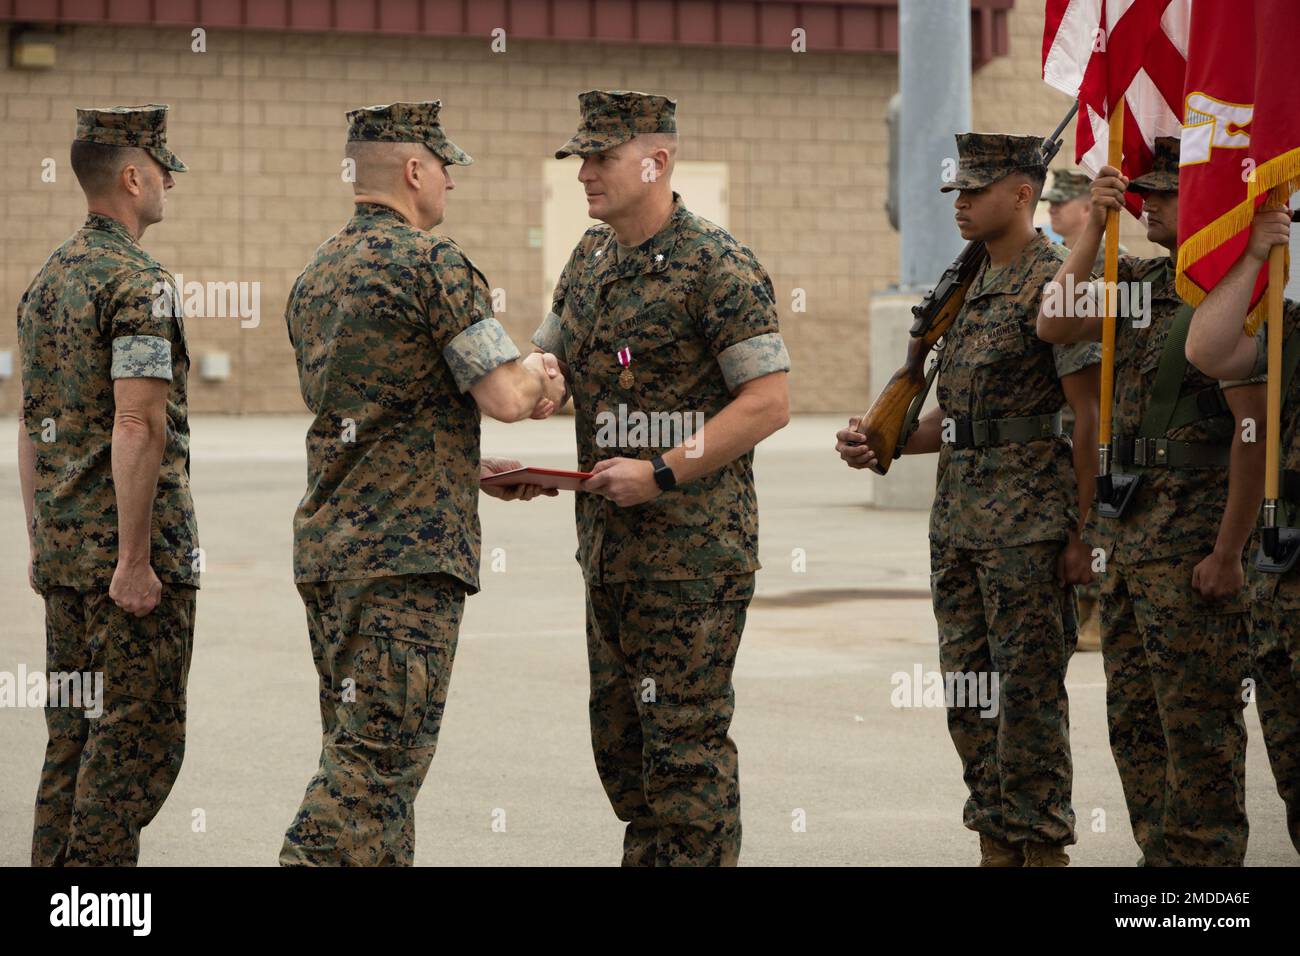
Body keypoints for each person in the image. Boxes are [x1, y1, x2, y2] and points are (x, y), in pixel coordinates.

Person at [279, 101, 564, 866]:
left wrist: (462, 470)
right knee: (373, 768)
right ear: (413, 170)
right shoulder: (433, 265)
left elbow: (373, 417)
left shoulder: (315, 276)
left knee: (370, 759)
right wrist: (541, 376)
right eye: (445, 168)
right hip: (407, 561)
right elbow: (504, 396)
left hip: (333, 552)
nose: (450, 186)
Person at [532, 90, 791, 866]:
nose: (584, 173)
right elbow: (552, 366)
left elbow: (768, 402)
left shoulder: (718, 265)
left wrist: (662, 474)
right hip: (609, 555)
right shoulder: (590, 258)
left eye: (601, 157)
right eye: (580, 157)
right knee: (623, 752)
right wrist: (535, 407)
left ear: (657, 160)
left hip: (691, 559)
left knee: (684, 755)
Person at [837, 133, 1099, 867]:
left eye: (976, 190)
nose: (960, 203)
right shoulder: (966, 284)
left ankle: (1040, 846)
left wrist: (1085, 532)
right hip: (958, 525)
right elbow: (960, 421)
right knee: (970, 697)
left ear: (1022, 194)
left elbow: (1087, 416)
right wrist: (883, 440)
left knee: (1029, 702)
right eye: (957, 190)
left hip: (1030, 528)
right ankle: (995, 842)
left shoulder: (1056, 281)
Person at [1036, 138, 1255, 866]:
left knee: (1199, 727)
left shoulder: (1240, 292)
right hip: (1130, 544)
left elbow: (1250, 437)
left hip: (1192, 545)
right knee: (1135, 722)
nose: (1146, 202)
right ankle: (1161, 864)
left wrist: (1229, 551)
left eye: (1164, 191)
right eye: (1143, 191)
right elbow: (1055, 322)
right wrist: (1094, 227)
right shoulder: (1139, 284)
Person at [19, 104, 199, 866]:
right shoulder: (139, 284)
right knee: (127, 756)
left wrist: (41, 543)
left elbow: (30, 430)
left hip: (64, 561)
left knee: (71, 741)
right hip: (129, 567)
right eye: (162, 173)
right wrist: (132, 561)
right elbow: (137, 422)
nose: (167, 188)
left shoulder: (47, 283)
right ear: (132, 177)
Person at [1186, 205, 1300, 855]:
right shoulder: (1289, 324)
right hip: (1282, 565)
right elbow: (1208, 349)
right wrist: (1255, 255)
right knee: (1293, 767)